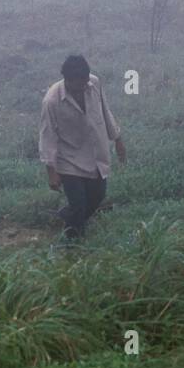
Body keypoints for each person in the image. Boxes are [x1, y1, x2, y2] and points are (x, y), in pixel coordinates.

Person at [39, 54, 126, 239]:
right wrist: (51, 170)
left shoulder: (94, 84)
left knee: (98, 196)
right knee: (79, 204)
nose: (82, 89)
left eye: (84, 83)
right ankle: (73, 245)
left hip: (95, 154)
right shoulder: (51, 101)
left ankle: (66, 217)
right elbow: (48, 135)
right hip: (68, 159)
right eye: (77, 85)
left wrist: (117, 138)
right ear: (67, 80)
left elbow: (105, 110)